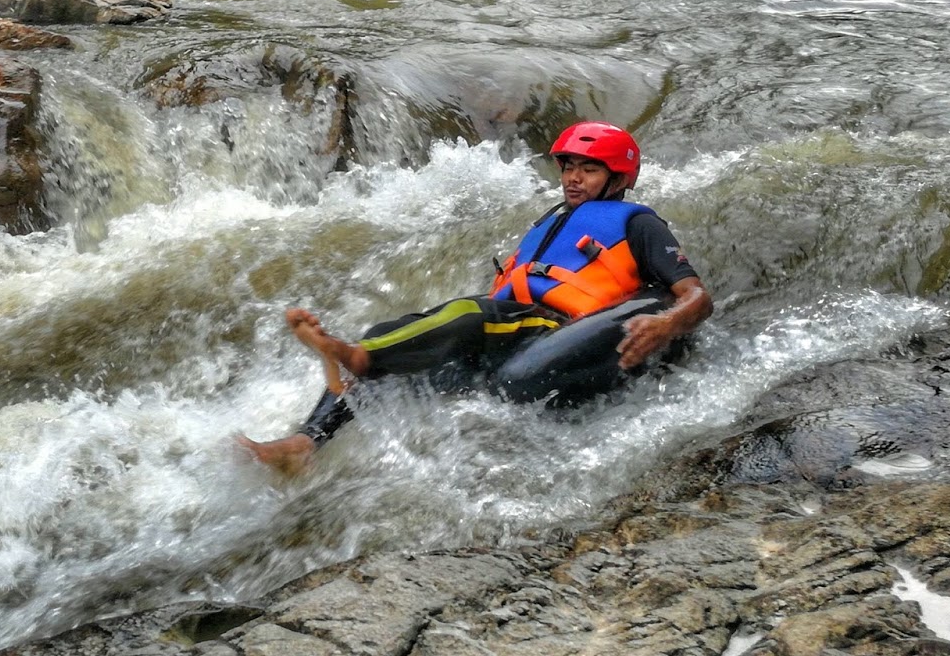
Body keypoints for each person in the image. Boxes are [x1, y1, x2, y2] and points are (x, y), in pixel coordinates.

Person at [237, 122, 713, 471]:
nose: (573, 178)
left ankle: (360, 355)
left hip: (557, 328)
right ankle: (306, 442)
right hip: (513, 336)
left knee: (468, 313)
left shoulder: (638, 223)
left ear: (619, 179)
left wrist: (666, 323)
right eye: (569, 167)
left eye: (589, 170)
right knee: (402, 355)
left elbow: (695, 297)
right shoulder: (548, 222)